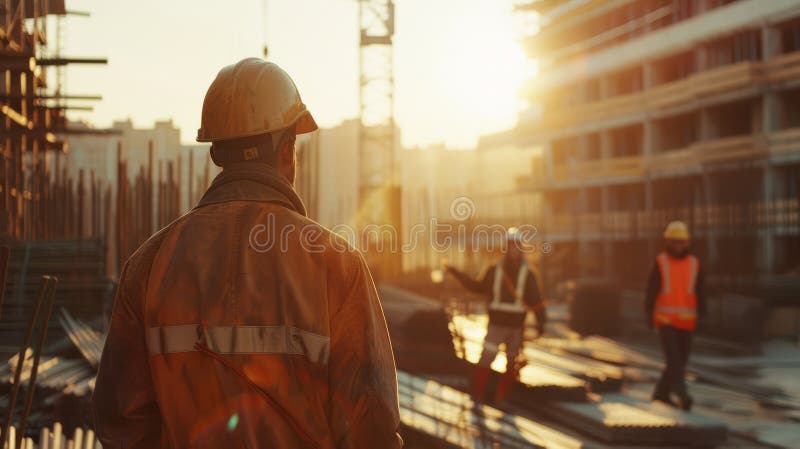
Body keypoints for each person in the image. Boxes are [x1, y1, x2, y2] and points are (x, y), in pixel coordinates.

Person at [93, 58, 403, 449]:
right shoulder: (335, 263)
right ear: (288, 151)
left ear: (216, 153)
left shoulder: (150, 264)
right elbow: (369, 425)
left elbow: (122, 421)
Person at [445, 230, 546, 403]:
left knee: (511, 364)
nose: (513, 250)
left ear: (521, 249)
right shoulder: (494, 270)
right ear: (506, 248)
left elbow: (536, 301)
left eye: (516, 246)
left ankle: (502, 400)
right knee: (485, 361)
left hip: (515, 328)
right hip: (496, 326)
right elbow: (476, 287)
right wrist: (456, 273)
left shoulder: (528, 274)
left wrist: (541, 322)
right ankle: (477, 398)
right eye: (510, 246)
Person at [646, 220, 706, 411]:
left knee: (681, 359)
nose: (678, 246)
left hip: (687, 321)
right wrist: (648, 313)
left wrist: (703, 312)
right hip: (665, 320)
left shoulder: (694, 264)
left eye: (681, 242)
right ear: (668, 242)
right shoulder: (661, 262)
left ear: (687, 243)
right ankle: (682, 394)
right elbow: (651, 289)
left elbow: (701, 290)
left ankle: (661, 393)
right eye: (674, 242)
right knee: (674, 359)